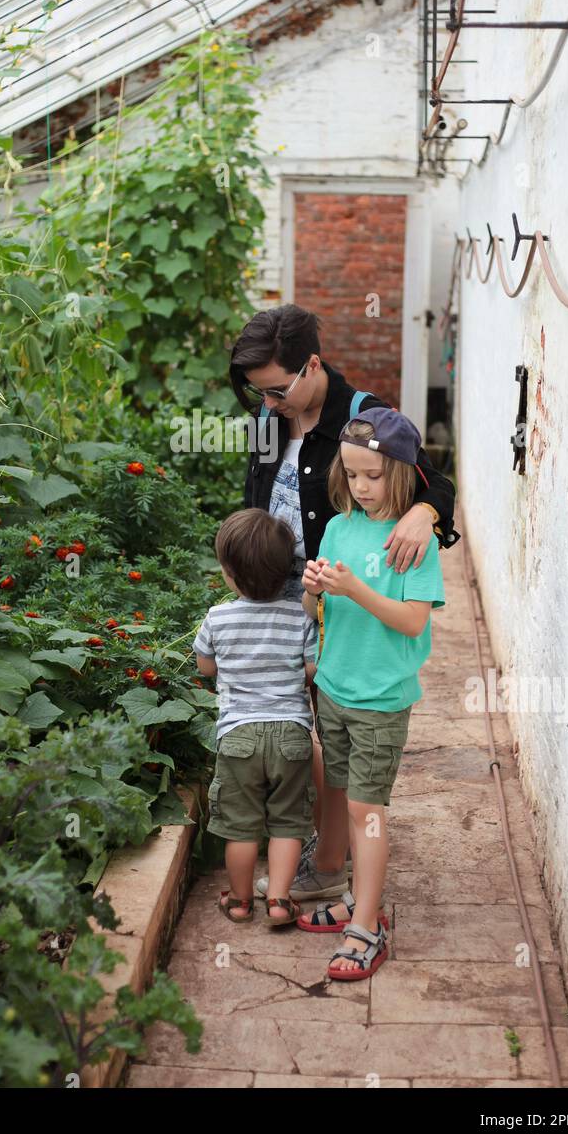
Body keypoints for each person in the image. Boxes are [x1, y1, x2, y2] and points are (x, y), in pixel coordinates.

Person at [229, 303, 458, 896]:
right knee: (301, 724)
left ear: (311, 366)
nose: (270, 403)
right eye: (260, 394)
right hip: (283, 596)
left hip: (341, 605)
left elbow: (435, 480)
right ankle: (319, 843)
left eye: (278, 390)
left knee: (334, 729)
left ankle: (330, 862)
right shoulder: (266, 418)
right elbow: (257, 493)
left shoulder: (365, 418)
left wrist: (424, 514)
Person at [297, 406, 446, 980]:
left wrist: (355, 587)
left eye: (373, 476)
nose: (360, 487)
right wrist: (314, 591)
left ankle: (368, 925)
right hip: (334, 687)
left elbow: (412, 622)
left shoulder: (415, 541)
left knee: (367, 810)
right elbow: (320, 610)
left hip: (380, 698)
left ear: (404, 472)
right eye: (352, 474)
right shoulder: (338, 527)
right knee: (341, 790)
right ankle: (357, 899)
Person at [192, 509, 318, 928]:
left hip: (238, 736)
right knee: (287, 822)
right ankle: (280, 900)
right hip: (292, 736)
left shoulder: (218, 618)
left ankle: (241, 901)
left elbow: (206, 668)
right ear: (286, 572)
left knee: (241, 827)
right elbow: (312, 670)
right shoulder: (300, 617)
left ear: (229, 573)